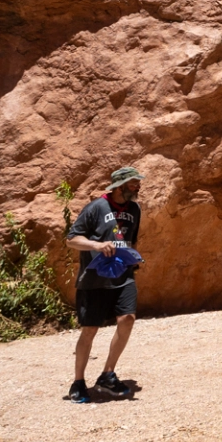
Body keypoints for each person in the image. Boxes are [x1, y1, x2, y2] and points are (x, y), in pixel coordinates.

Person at [64, 166, 144, 403]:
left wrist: (133, 256)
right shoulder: (96, 207)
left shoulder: (135, 209)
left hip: (124, 275)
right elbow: (71, 239)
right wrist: (97, 246)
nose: (137, 186)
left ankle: (107, 374)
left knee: (128, 318)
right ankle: (78, 381)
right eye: (132, 183)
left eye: (137, 183)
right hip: (95, 279)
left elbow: (129, 239)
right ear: (119, 186)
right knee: (90, 330)